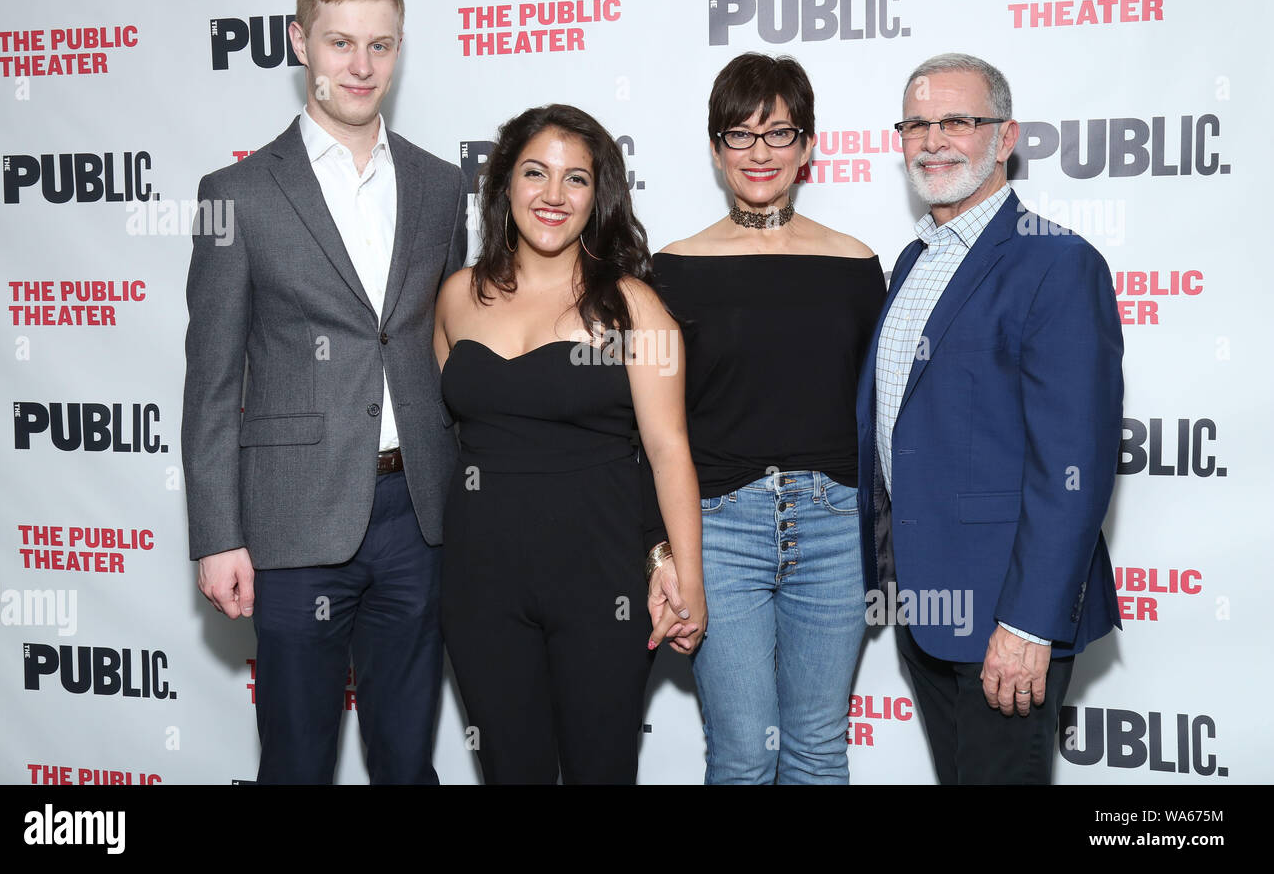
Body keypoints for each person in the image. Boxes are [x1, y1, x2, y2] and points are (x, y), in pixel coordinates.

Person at [182, 0, 468, 784]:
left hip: (417, 515)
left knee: (407, 763)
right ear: (300, 41)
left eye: (380, 45)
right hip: (291, 524)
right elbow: (212, 380)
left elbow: (444, 348)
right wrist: (217, 534)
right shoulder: (235, 194)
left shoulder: (442, 187)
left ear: (400, 47)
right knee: (298, 763)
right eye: (341, 42)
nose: (361, 65)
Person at [857, 52, 1124, 784]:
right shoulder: (914, 263)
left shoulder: (1058, 264)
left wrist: (1032, 622)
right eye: (916, 123)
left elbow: (1073, 466)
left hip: (1007, 619)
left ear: (1004, 138)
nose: (932, 139)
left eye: (956, 121)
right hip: (926, 606)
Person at [433, 104, 705, 784]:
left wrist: (685, 575)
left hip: (601, 582)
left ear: (599, 194)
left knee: (600, 771)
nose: (553, 196)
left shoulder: (634, 306)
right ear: (503, 186)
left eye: (575, 179)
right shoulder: (456, 298)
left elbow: (669, 449)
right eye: (535, 173)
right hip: (480, 582)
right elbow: (452, 434)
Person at [652, 53, 886, 784]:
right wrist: (660, 551)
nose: (760, 152)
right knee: (745, 754)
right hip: (716, 531)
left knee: (817, 749)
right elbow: (652, 435)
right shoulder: (671, 269)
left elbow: (877, 416)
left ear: (809, 145)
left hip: (833, 530)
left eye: (780, 133)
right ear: (717, 148)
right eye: (740, 134)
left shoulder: (856, 265)